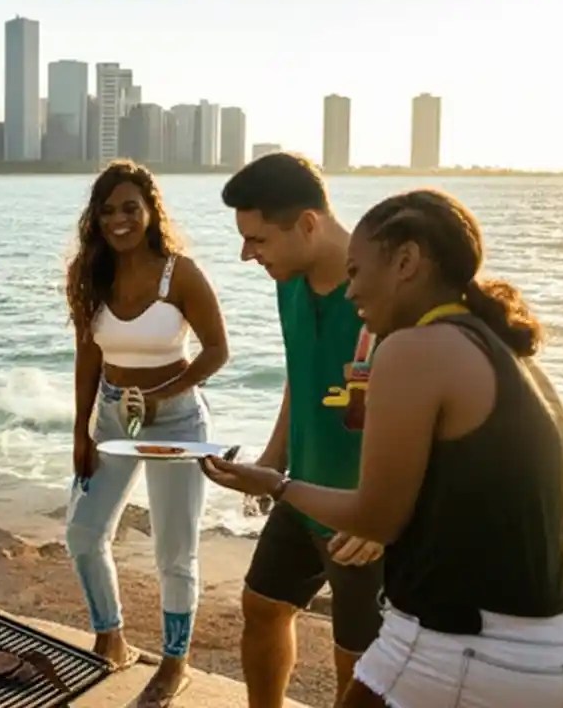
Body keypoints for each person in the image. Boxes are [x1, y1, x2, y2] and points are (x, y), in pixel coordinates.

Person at [203, 188, 563, 708]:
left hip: (469, 655)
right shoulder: (506, 351)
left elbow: (376, 519)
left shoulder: (409, 348)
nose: (350, 293)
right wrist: (530, 596)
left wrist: (278, 485)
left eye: (356, 273)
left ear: (406, 261)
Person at [219, 152, 384, 708]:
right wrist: (272, 461)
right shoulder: (287, 280)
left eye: (258, 239)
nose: (247, 254)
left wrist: (388, 515)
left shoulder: (386, 293)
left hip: (362, 511)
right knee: (262, 605)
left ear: (308, 223)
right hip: (302, 488)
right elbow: (302, 373)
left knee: (358, 664)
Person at [64, 159, 230, 707]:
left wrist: (164, 393)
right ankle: (110, 637)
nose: (119, 219)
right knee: (84, 534)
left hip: (177, 421)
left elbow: (217, 350)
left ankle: (174, 663)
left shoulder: (178, 273)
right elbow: (88, 355)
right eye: (108, 210)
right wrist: (81, 432)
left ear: (150, 210)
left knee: (174, 553)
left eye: (130, 207)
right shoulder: (89, 274)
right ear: (97, 217)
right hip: (112, 417)